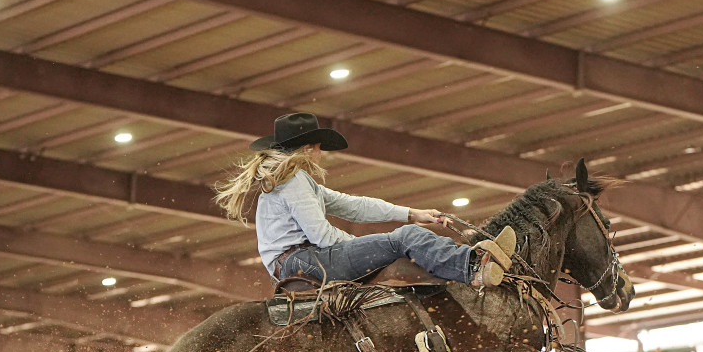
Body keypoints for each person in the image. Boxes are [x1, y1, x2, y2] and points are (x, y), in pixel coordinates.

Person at [215, 113, 516, 288]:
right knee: (406, 239)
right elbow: (321, 235)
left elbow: (354, 205)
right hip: (304, 263)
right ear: (307, 149)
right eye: (318, 148)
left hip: (295, 265)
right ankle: (473, 269)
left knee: (405, 233)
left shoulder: (292, 183)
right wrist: (365, 243)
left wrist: (412, 213)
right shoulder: (294, 183)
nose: (321, 154)